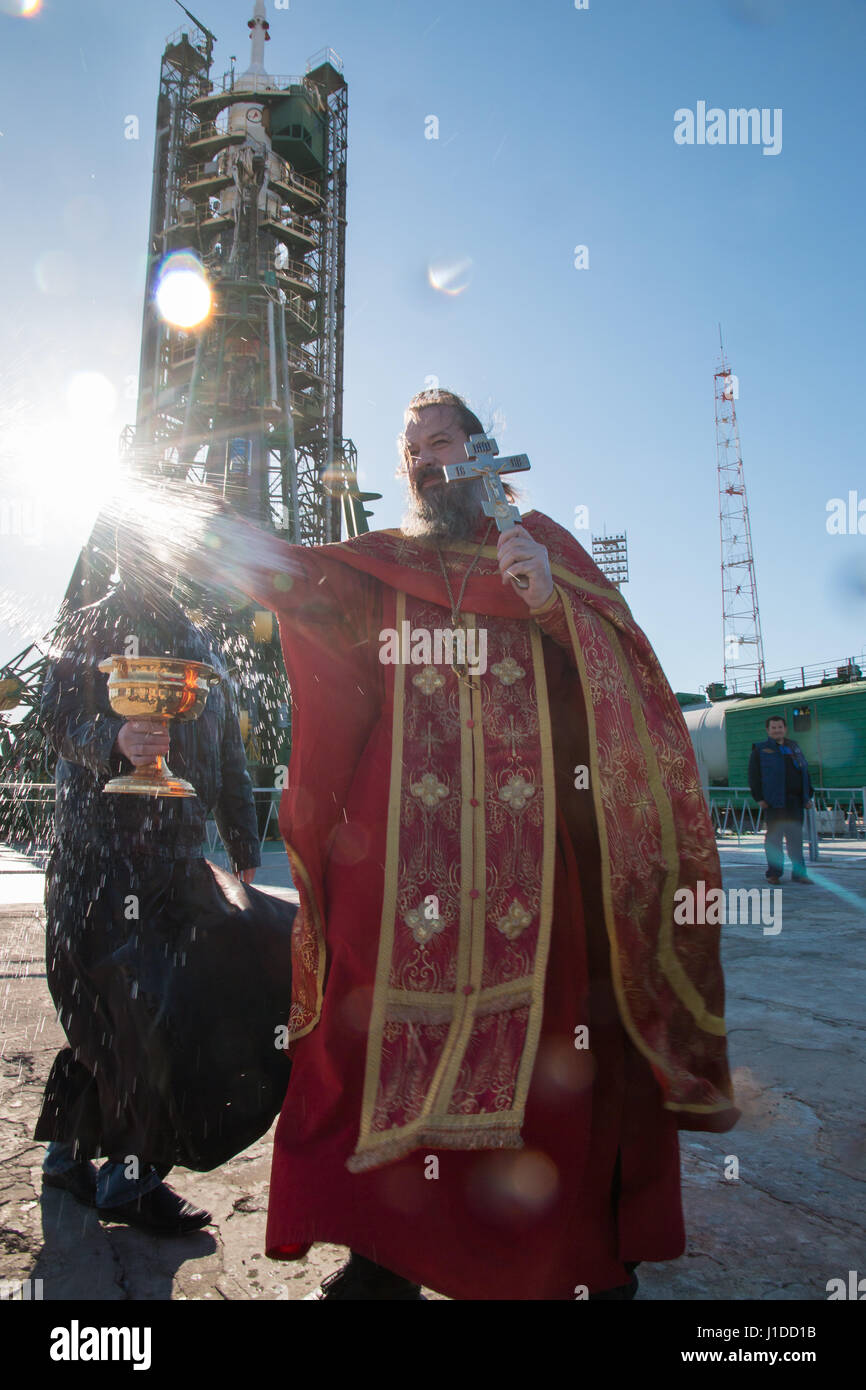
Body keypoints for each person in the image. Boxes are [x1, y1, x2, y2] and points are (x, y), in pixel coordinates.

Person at [167, 387, 738, 1298]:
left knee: (554, 1061)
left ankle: (552, 1253)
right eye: (413, 449)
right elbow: (302, 588)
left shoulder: (541, 544)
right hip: (401, 873)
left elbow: (628, 679)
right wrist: (215, 532)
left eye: (443, 439)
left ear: (481, 449)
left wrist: (553, 607)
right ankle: (384, 1251)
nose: (429, 458)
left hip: (537, 871)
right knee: (373, 1041)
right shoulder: (386, 565)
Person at [34, 557, 281, 1236]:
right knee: (119, 1022)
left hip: (176, 863)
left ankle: (86, 1162)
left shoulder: (197, 640)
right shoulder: (87, 624)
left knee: (143, 1021)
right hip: (98, 866)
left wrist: (241, 835)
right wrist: (110, 738)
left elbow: (224, 743)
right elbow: (49, 716)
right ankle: (112, 1172)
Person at [748, 714, 815, 885]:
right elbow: (754, 776)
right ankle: (774, 873)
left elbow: (804, 772)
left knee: (796, 840)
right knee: (774, 840)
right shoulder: (760, 750)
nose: (777, 730)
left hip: (795, 801)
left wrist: (808, 795)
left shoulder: (794, 748)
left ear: (785, 729)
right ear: (768, 730)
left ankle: (799, 874)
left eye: (780, 727)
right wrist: (759, 798)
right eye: (773, 728)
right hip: (774, 802)